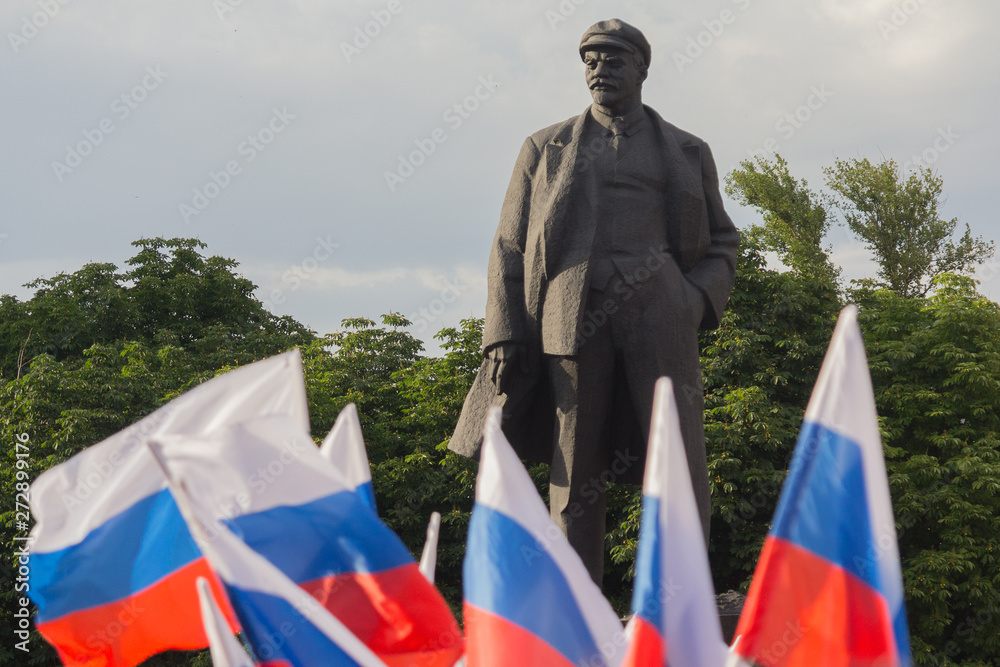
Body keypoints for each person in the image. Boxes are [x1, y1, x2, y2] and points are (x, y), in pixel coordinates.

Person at [450, 18, 739, 586]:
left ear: (641, 69)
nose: (599, 70)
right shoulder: (544, 146)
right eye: (590, 61)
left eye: (612, 60)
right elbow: (509, 244)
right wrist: (503, 331)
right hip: (571, 318)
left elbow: (723, 240)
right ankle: (577, 607)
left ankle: (676, 602)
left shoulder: (687, 149)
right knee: (574, 468)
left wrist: (693, 299)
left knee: (676, 458)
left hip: (661, 315)